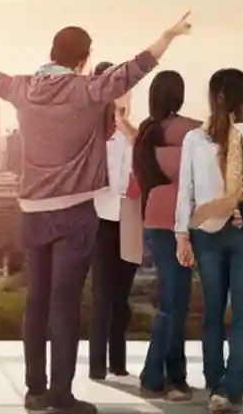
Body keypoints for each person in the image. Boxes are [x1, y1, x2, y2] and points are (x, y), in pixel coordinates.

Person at [0, 11, 192, 414]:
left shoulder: (22, 88)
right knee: (64, 303)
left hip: (32, 211)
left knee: (36, 301)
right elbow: (133, 70)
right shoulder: (87, 90)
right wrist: (167, 37)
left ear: (52, 53)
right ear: (85, 59)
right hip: (74, 214)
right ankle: (62, 396)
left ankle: (35, 393)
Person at [174, 68, 243, 414]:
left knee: (225, 311)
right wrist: (182, 233)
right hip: (225, 230)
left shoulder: (224, 137)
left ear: (216, 97)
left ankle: (224, 386)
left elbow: (188, 191)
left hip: (224, 230)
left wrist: (182, 233)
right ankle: (226, 386)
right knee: (229, 310)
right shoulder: (217, 136)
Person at [125, 70, 199, 401]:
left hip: (154, 220)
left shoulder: (146, 134)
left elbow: (135, 185)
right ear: (179, 96)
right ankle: (154, 376)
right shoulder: (195, 131)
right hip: (182, 223)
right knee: (174, 302)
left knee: (174, 300)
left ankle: (176, 377)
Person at [89, 63, 139, 382]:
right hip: (101, 217)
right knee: (102, 294)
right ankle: (96, 365)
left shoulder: (136, 134)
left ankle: (118, 363)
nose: (124, 96)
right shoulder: (93, 136)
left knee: (123, 295)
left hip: (131, 216)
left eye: (128, 90)